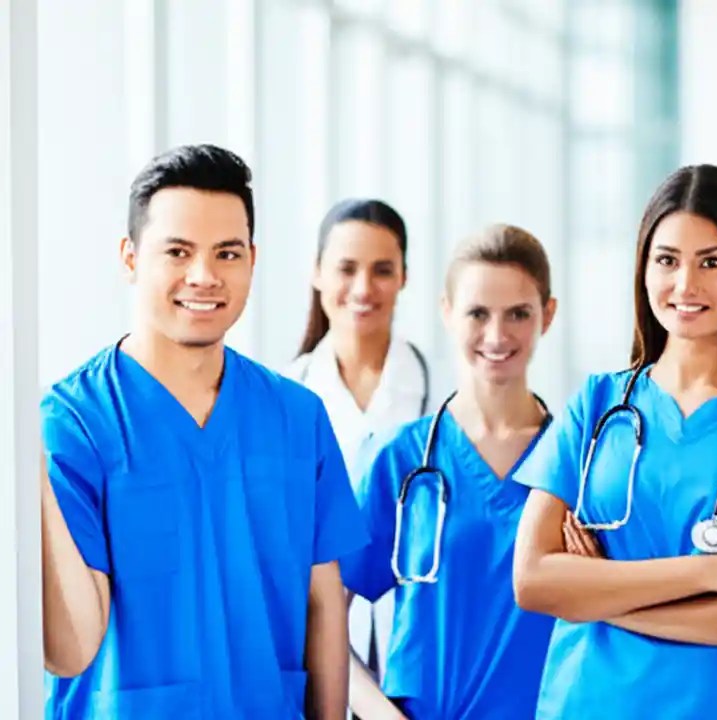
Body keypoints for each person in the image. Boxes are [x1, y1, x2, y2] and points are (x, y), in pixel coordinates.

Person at [40, 144, 368, 719]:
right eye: (177, 251)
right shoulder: (73, 424)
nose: (204, 276)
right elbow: (69, 648)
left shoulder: (298, 417)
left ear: (252, 260)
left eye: (227, 253)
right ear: (130, 258)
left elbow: (324, 604)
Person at [510, 164, 717, 719]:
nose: (686, 285)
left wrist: (605, 597)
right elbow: (533, 580)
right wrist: (710, 573)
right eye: (667, 260)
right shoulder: (597, 405)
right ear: (644, 270)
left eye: (712, 262)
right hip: (596, 702)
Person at [338, 224, 559, 719]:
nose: (497, 336)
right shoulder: (401, 459)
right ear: (447, 313)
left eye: (518, 314)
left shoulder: (575, 465)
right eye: (478, 313)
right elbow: (323, 617)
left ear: (548, 314)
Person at [284, 198, 429, 679]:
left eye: (382, 270)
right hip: (306, 645)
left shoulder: (444, 392)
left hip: (417, 644)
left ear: (405, 276)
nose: (364, 289)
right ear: (317, 273)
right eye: (346, 268)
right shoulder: (284, 396)